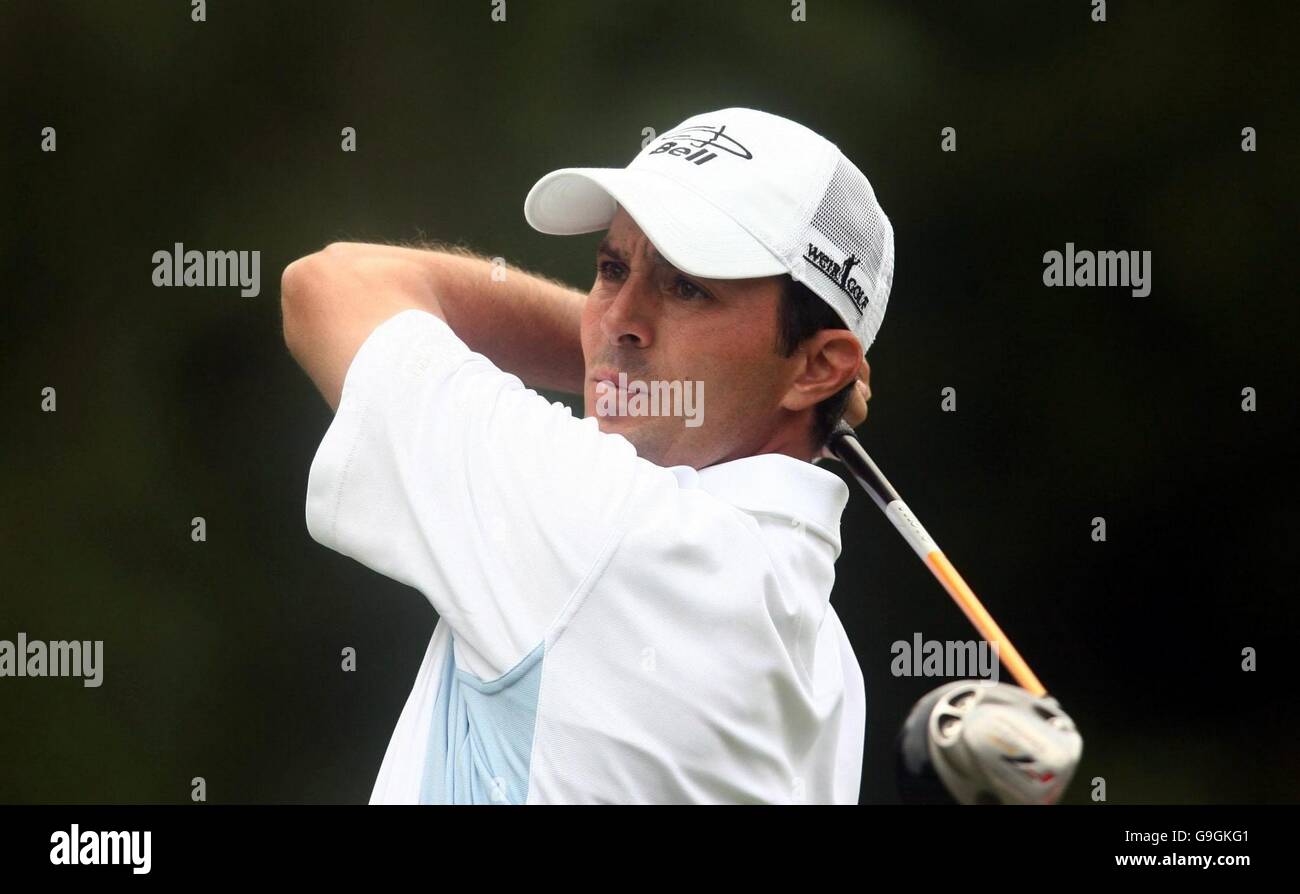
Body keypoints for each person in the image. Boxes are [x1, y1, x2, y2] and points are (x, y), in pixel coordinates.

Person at [281, 107, 894, 804]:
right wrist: (676, 370)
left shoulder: (615, 531)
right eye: (612, 268)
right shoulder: (826, 662)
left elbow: (332, 284)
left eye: (687, 286)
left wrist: (610, 364)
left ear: (819, 368)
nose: (616, 319)